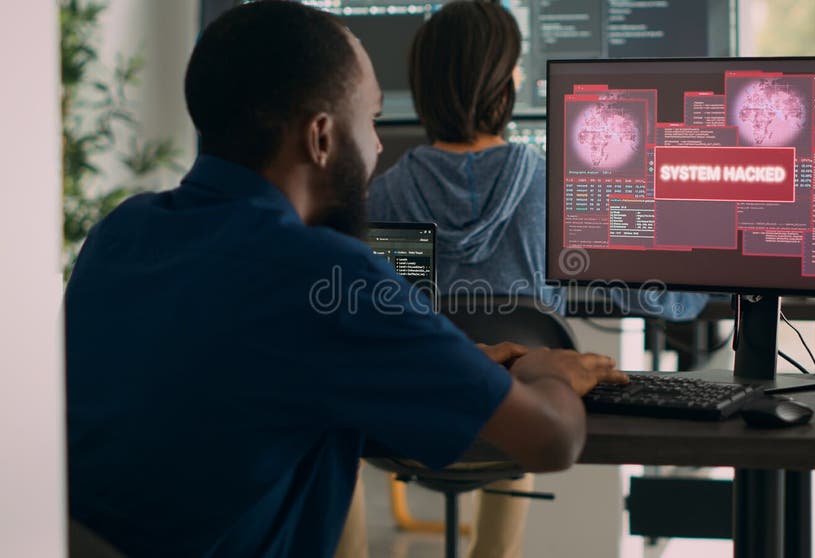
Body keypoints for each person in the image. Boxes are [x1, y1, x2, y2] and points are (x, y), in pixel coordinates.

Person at [64, 2, 628, 556]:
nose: (379, 145)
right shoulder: (325, 273)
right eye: (372, 119)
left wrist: (451, 360)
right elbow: (552, 439)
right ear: (322, 138)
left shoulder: (120, 233)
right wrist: (545, 371)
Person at [364, 3, 708, 556]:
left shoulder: (381, 196)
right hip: (524, 428)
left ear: (423, 88)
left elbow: (378, 321)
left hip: (413, 430)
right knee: (523, 368)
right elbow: (673, 300)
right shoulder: (558, 188)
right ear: (506, 84)